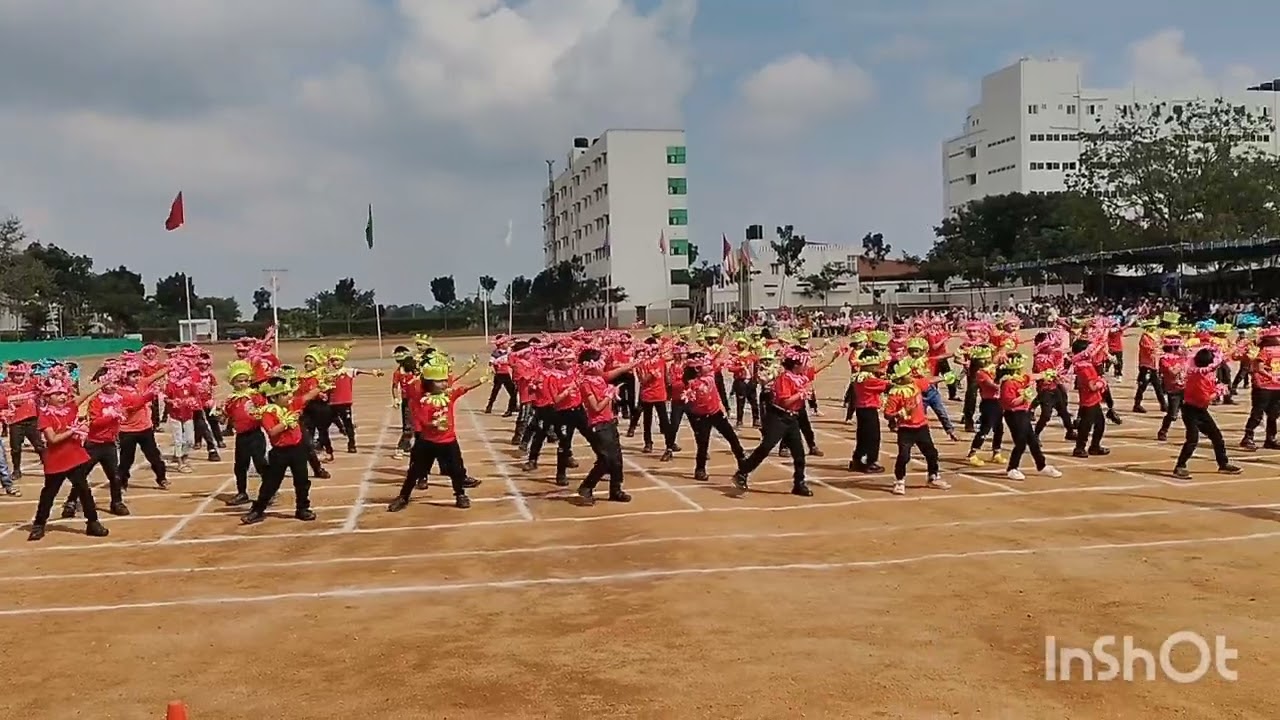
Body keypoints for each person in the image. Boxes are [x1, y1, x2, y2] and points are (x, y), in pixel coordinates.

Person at [390, 360, 487, 511]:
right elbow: (421, 419)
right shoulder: (422, 400)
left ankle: (460, 495)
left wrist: (482, 379)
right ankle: (403, 497)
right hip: (427, 442)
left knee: (456, 470)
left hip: (448, 441)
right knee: (415, 471)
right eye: (438, 381)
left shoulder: (449, 395)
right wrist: (433, 424)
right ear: (429, 383)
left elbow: (464, 388)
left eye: (444, 380)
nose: (443, 383)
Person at [28, 379, 108, 541]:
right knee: (49, 493)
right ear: (47, 397)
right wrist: (73, 431)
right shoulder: (45, 416)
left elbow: (85, 395)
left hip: (74, 457)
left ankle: (93, 523)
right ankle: (39, 525)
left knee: (84, 490)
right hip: (56, 460)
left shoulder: (70, 408)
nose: (62, 397)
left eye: (64, 393)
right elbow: (53, 439)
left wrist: (102, 383)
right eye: (57, 394)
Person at [241, 374, 323, 525]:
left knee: (302, 480)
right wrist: (285, 422)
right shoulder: (268, 411)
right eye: (284, 394)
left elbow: (306, 397)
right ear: (273, 398)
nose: (289, 396)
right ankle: (258, 510)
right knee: (271, 483)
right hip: (280, 452)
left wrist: (321, 386)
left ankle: (302, 508)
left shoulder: (292, 405)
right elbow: (271, 431)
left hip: (297, 449)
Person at [882, 360, 949, 496]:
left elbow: (928, 381)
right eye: (907, 374)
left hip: (921, 426)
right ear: (900, 378)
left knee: (931, 453)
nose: (910, 375)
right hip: (906, 429)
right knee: (904, 456)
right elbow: (887, 414)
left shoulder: (915, 383)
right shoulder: (895, 394)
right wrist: (898, 413)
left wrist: (945, 377)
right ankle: (899, 481)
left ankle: (933, 476)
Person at [1173, 346, 1242, 479]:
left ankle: (1223, 464)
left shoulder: (1202, 373)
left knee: (1217, 437)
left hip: (1198, 409)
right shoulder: (1200, 378)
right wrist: (1218, 392)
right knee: (1192, 439)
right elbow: (1205, 400)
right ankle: (1179, 466)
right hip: (1192, 410)